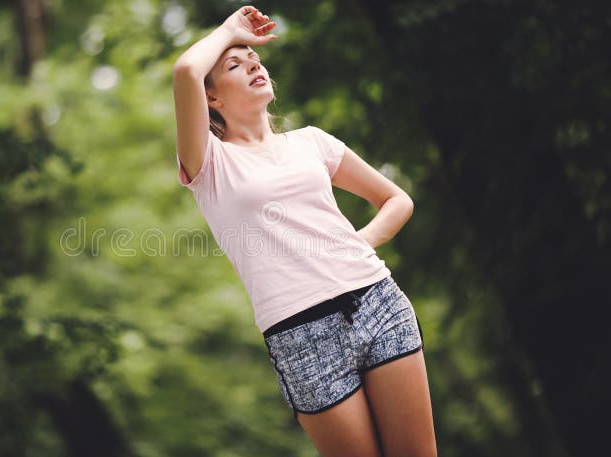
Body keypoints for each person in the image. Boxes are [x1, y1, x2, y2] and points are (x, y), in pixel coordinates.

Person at [172, 5, 437, 457]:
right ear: (211, 98)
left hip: (376, 300)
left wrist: (359, 243)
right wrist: (232, 30)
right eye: (234, 65)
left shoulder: (312, 142)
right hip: (300, 332)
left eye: (254, 59)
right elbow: (185, 71)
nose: (253, 63)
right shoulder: (210, 165)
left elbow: (397, 200)